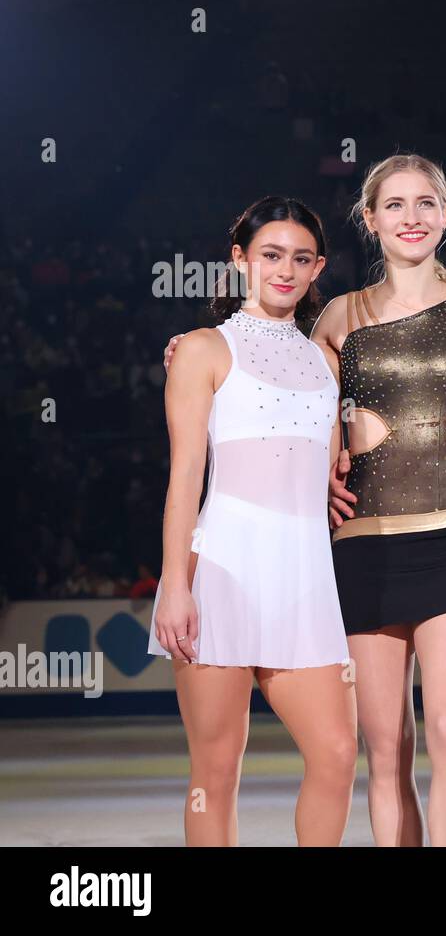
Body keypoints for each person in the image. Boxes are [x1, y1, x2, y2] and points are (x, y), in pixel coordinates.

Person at [148, 196, 357, 846]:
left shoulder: (327, 362)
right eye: (270, 255)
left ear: (317, 265)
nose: (285, 270)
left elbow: (333, 472)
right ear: (240, 260)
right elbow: (185, 477)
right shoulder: (203, 349)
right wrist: (175, 584)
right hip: (221, 574)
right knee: (215, 768)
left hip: (306, 582)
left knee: (337, 754)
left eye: (300, 258)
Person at [318, 154, 446, 846]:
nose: (412, 217)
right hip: (364, 545)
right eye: (394, 205)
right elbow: (286, 409)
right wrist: (199, 347)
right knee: (387, 747)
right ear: (369, 220)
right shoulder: (339, 317)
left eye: (426, 203)